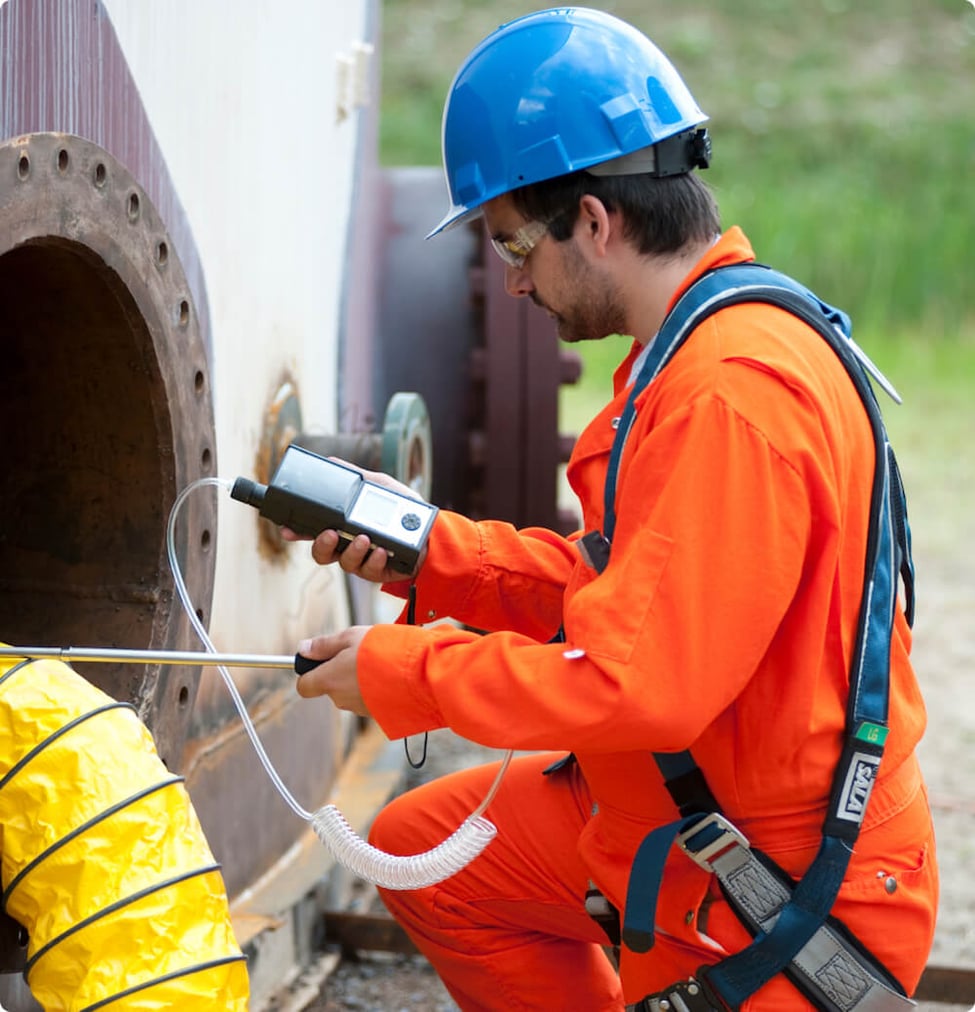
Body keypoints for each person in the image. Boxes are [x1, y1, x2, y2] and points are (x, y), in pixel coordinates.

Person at [290, 8, 938, 1010]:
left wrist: (406, 671)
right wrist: (438, 556)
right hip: (696, 808)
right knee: (430, 851)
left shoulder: (727, 394)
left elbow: (639, 684)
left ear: (594, 221)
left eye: (515, 247)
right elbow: (631, 590)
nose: (513, 284)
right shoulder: (697, 345)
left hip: (782, 880)